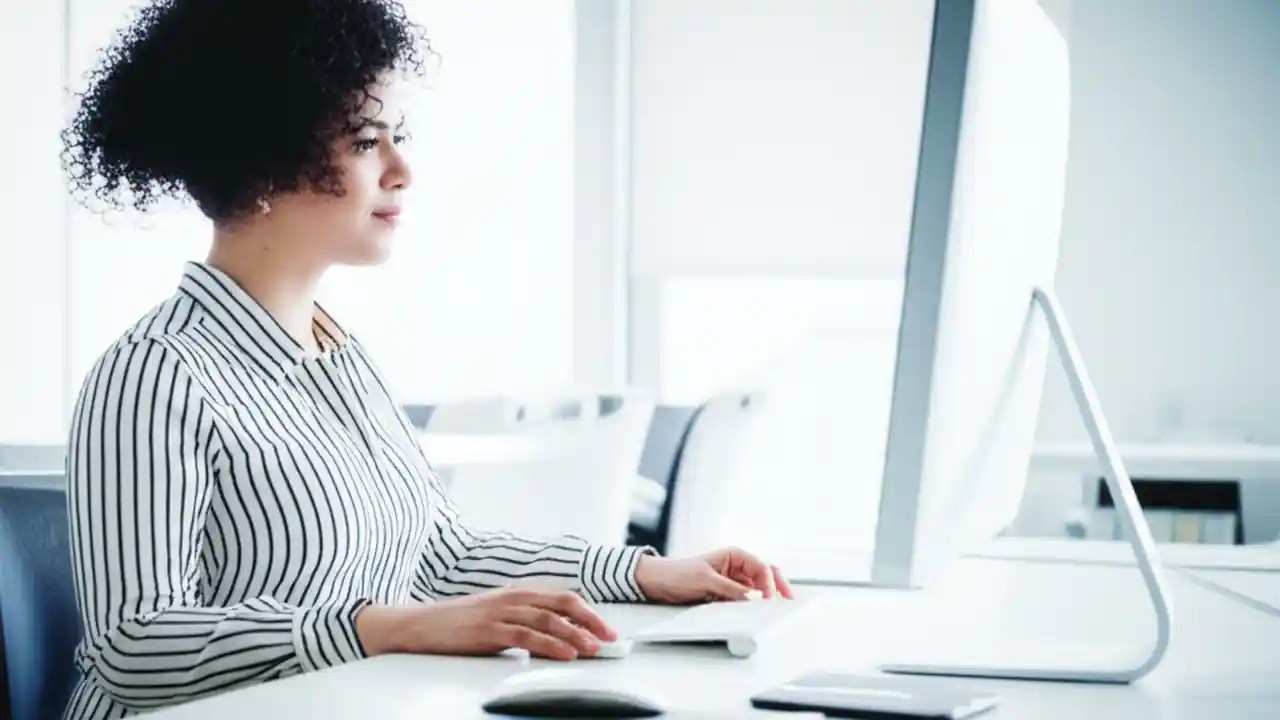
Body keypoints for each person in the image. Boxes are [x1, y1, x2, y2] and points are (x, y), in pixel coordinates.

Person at [57, 1, 791, 718]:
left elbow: (441, 555)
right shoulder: (154, 375)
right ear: (266, 160)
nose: (402, 170)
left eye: (394, 137)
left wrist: (646, 573)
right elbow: (133, 643)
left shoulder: (339, 358)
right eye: (367, 140)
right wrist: (388, 625)